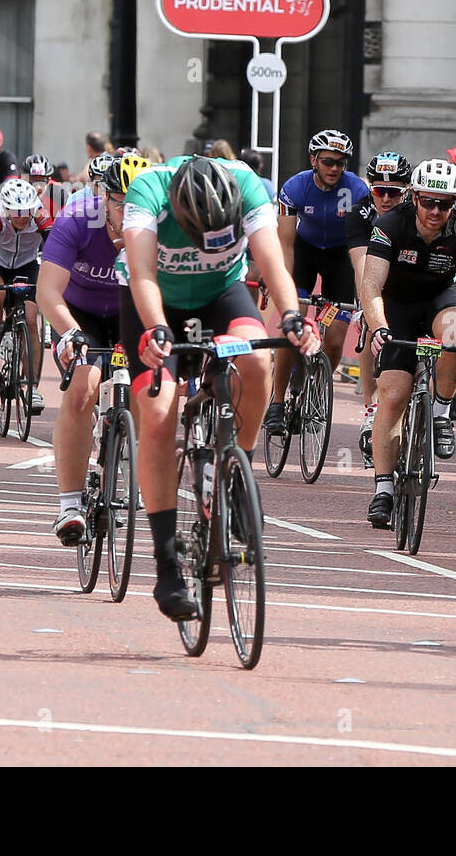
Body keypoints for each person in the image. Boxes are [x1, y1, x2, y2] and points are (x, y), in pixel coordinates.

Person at [121, 155, 318, 619]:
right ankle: (166, 564)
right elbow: (143, 274)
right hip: (157, 305)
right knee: (158, 411)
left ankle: (237, 472)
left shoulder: (248, 185)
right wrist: (155, 329)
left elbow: (272, 263)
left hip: (219, 297)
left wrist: (291, 316)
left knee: (257, 360)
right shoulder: (148, 191)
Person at [361, 159, 456, 525]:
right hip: (396, 305)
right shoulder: (390, 224)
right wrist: (379, 327)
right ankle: (383, 489)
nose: (436, 211)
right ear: (413, 197)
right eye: (428, 202)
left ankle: (440, 412)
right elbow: (370, 286)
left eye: (445, 203)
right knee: (394, 394)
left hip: (439, 298)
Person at [39, 155, 145, 543]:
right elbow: (48, 291)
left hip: (132, 308)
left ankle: (129, 462)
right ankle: (69, 504)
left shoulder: (160, 225)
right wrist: (70, 333)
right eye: (120, 202)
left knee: (148, 385)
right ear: (103, 197)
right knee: (84, 385)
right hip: (79, 311)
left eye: (138, 203)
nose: (129, 212)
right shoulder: (78, 217)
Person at [268, 129, 369, 431]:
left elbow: (361, 244)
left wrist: (363, 289)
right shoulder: (294, 188)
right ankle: (276, 402)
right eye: (327, 161)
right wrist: (285, 287)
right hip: (304, 254)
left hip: (341, 257)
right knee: (292, 327)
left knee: (336, 338)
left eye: (341, 162)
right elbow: (285, 243)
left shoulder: (357, 190)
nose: (334, 168)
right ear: (313, 160)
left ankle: (314, 387)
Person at [345, 151, 413, 462]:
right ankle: (372, 406)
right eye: (378, 190)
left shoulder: (419, 209)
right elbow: (362, 264)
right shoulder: (359, 214)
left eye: (394, 191)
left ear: (407, 190)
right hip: (373, 277)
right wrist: (367, 303)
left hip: (410, 279)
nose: (385, 198)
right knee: (373, 327)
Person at [0, 178, 52, 413]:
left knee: (31, 321)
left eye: (26, 211)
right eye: (16, 212)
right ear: (6, 208)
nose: (22, 216)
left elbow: (55, 246)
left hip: (27, 264)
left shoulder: (40, 215)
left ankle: (32, 388)